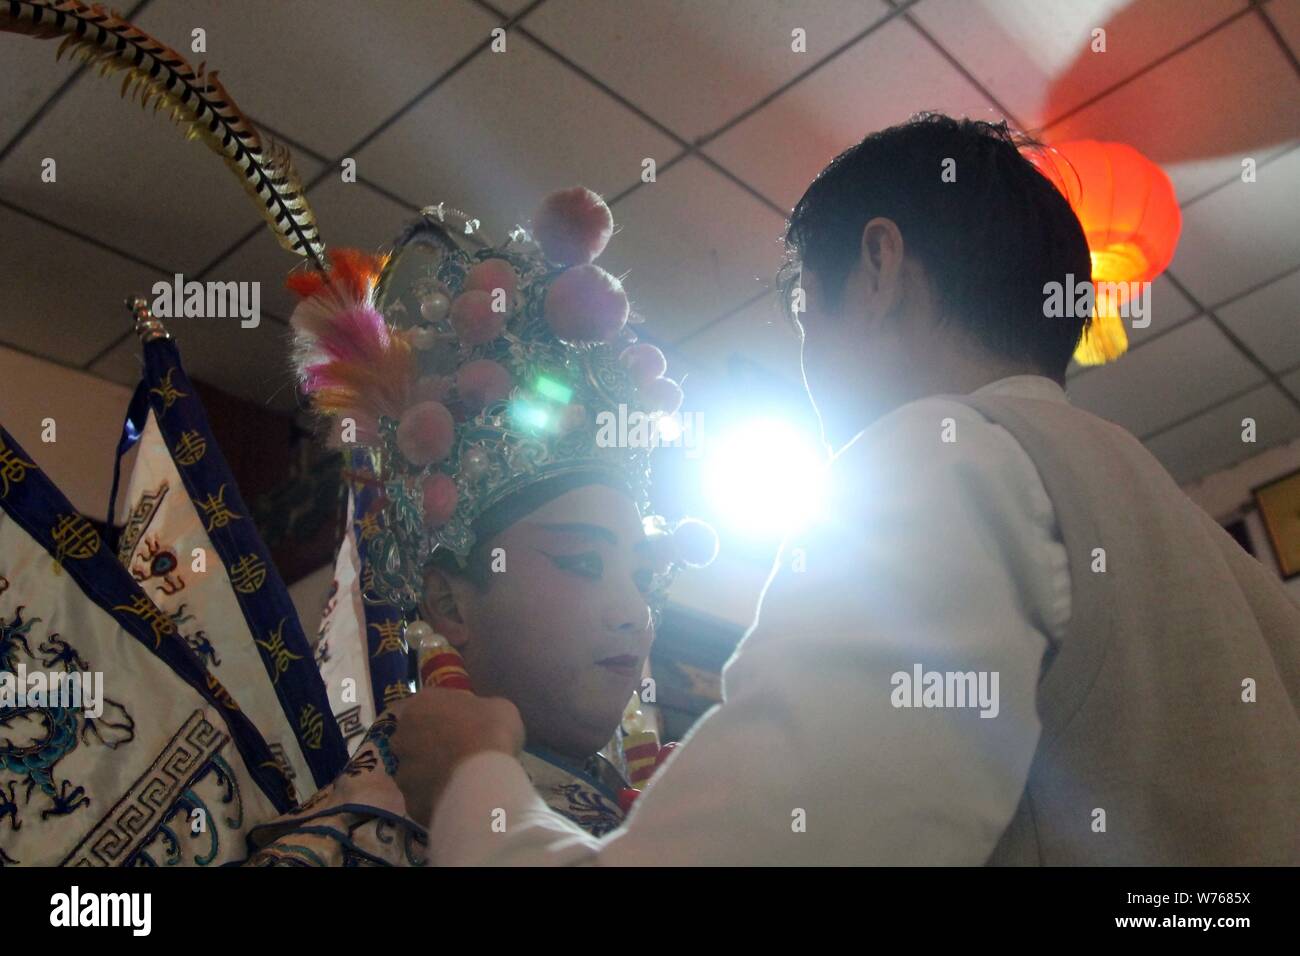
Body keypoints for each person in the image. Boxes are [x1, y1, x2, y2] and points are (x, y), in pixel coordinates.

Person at [389, 114, 1300, 866]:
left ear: (878, 266)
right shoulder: (1215, 555)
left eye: (801, 312)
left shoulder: (938, 456)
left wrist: (476, 782)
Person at [243, 193, 715, 865]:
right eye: (583, 562)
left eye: (643, 576)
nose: (634, 614)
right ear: (450, 602)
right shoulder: (377, 822)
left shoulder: (668, 817)